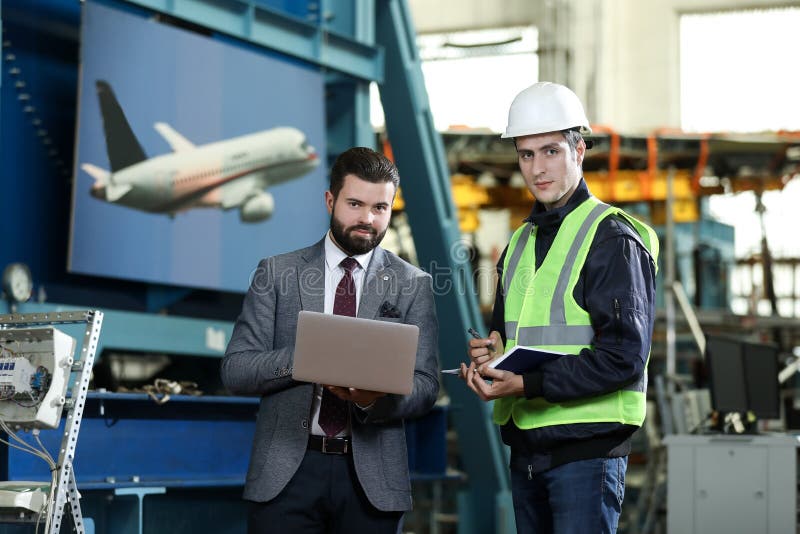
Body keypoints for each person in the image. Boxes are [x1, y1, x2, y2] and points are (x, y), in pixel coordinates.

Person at [460, 82, 658, 533]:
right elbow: (513, 340)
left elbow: (624, 357)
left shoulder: (611, 238)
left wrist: (526, 382)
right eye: (526, 155)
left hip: (585, 453)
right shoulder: (520, 242)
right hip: (528, 450)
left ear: (579, 149)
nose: (538, 168)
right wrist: (491, 356)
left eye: (550, 151)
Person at [222, 146, 439, 534]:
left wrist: (374, 400)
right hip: (287, 474)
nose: (367, 219)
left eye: (380, 208)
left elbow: (426, 385)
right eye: (355, 204)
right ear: (330, 200)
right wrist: (310, 357)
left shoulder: (413, 284)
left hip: (371, 480)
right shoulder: (276, 273)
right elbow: (236, 369)